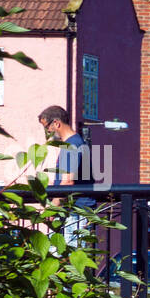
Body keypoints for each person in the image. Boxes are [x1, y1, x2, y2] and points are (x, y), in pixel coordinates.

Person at [38, 105, 95, 252]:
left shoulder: (71, 145)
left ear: (56, 123)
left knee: (65, 258)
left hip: (74, 212)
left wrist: (51, 210)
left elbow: (67, 183)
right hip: (76, 210)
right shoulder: (76, 142)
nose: (48, 132)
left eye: (47, 127)